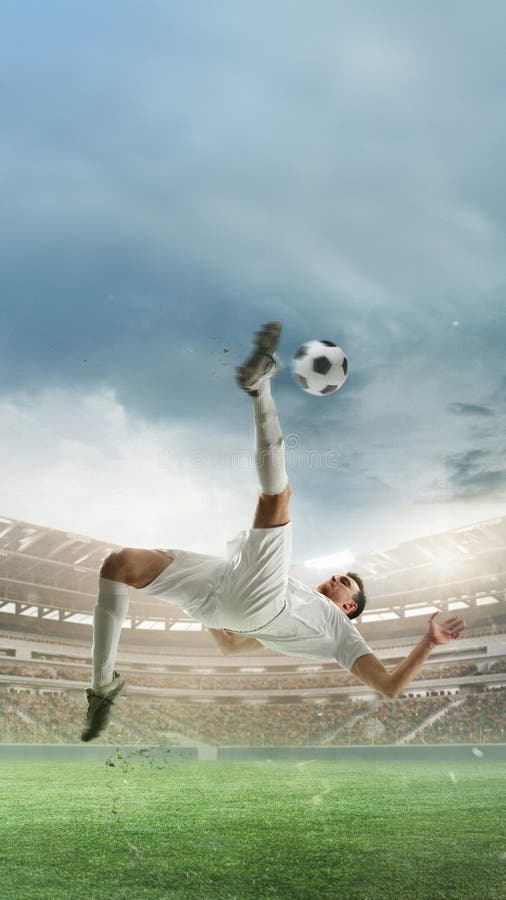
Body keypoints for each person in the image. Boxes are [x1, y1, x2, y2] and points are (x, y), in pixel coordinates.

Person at [81, 322, 465, 741]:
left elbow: (389, 688)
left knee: (277, 497)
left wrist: (428, 642)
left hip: (262, 603)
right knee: (118, 564)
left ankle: (260, 386)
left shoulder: (341, 635)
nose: (335, 578)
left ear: (349, 608)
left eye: (344, 584)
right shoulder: (299, 610)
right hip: (228, 597)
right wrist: (201, 604)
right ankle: (102, 688)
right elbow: (230, 647)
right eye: (339, 575)